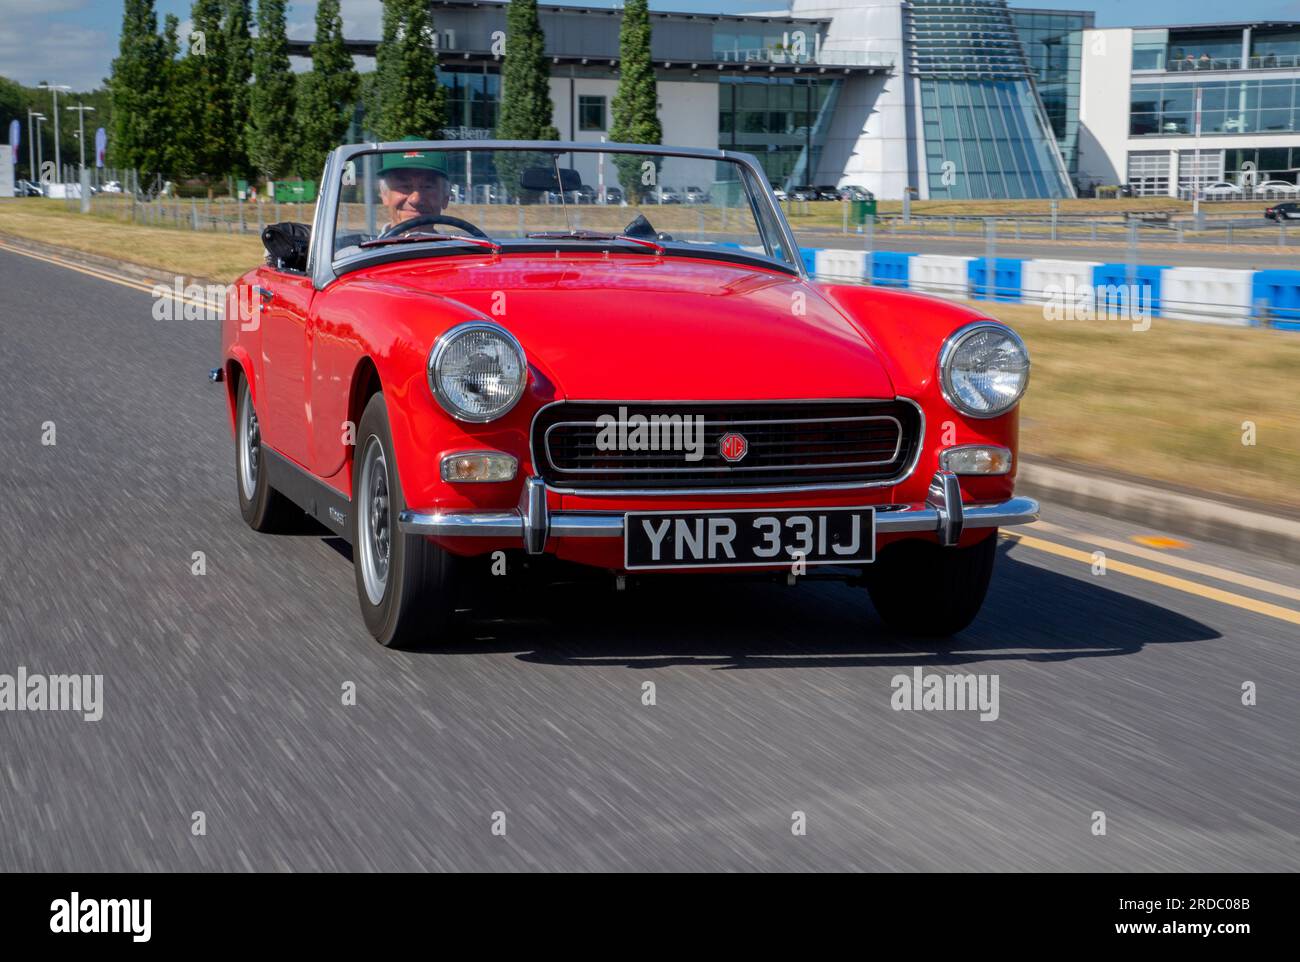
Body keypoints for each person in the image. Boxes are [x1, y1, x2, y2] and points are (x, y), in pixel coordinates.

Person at [377, 138, 452, 233]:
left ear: (445, 198)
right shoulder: (360, 248)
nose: (415, 199)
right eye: (405, 186)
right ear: (384, 194)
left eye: (427, 186)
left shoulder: (461, 247)